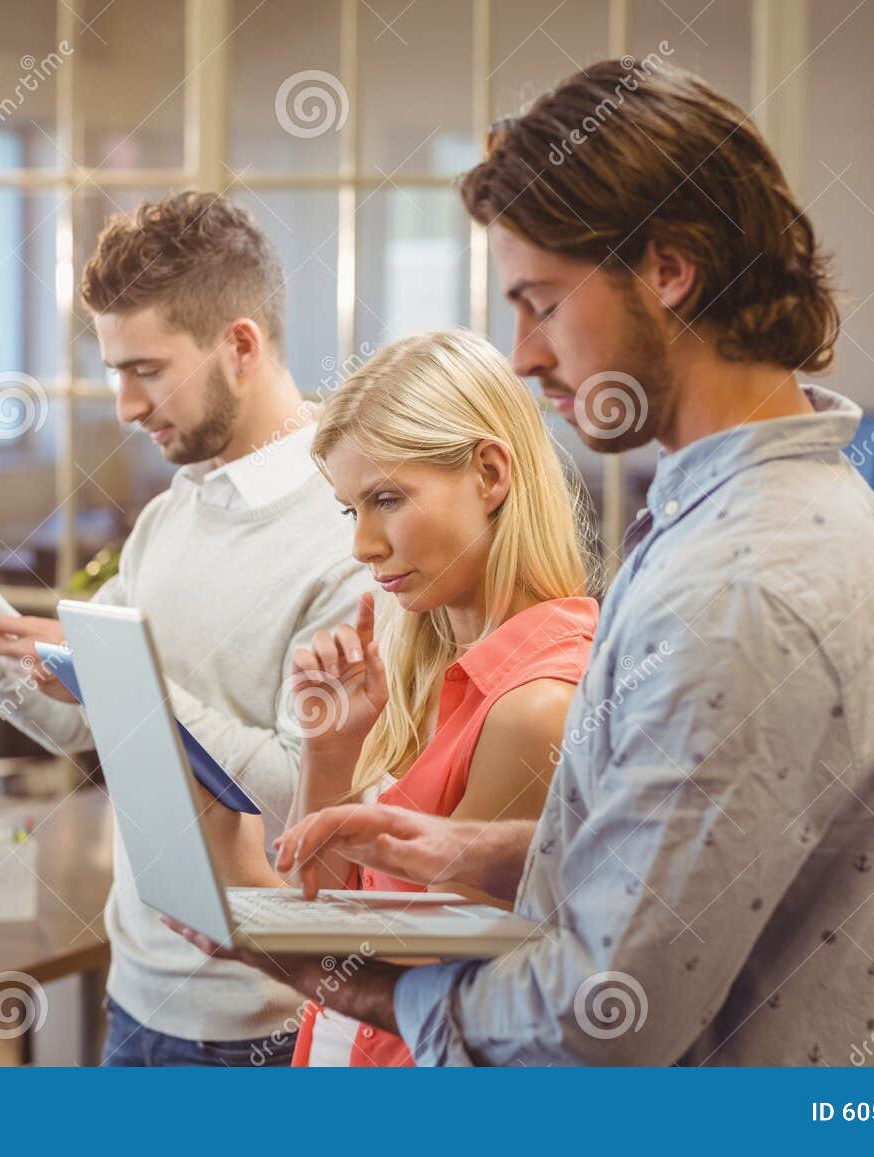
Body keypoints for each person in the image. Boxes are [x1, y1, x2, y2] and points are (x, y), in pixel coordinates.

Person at [167, 60, 874, 1066]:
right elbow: (701, 859)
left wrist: (337, 975)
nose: (521, 353)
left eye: (541, 302)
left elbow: (598, 1018)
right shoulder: (764, 507)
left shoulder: (741, 586)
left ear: (668, 269)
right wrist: (490, 850)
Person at [0, 191, 369, 1066]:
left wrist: (147, 689)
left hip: (259, 1024)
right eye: (115, 369)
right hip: (137, 995)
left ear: (240, 345)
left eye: (146, 369)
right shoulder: (170, 517)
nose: (123, 404)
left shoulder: (350, 537)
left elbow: (307, 807)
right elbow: (81, 718)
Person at [174, 329, 599, 1066]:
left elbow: (434, 986)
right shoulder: (436, 667)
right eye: (350, 510)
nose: (363, 545)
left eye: (388, 500)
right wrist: (331, 750)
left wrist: (234, 884)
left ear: (491, 474)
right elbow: (333, 903)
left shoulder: (534, 707)